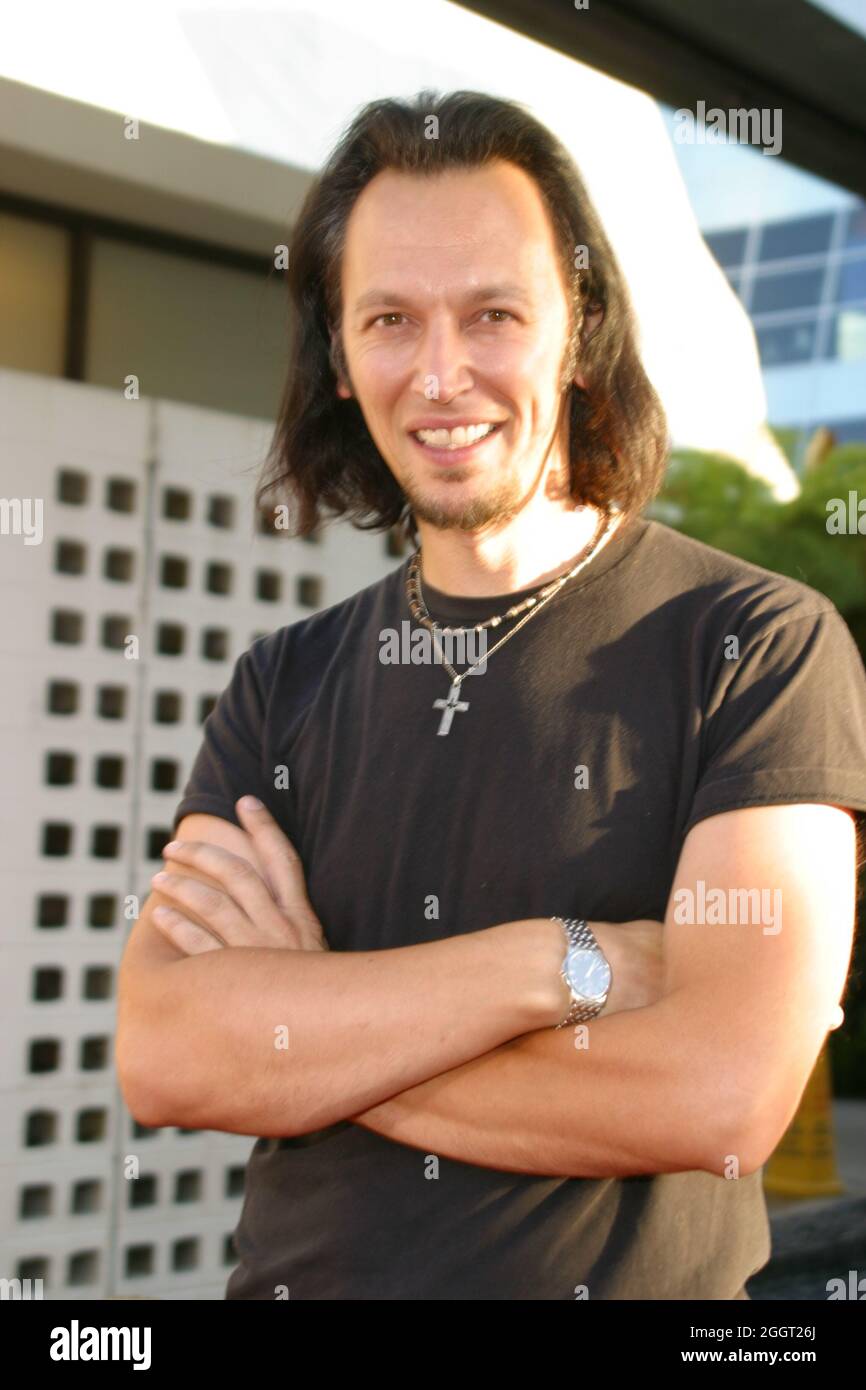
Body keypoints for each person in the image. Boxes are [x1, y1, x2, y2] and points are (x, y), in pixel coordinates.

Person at [117, 90, 866, 1301]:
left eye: (494, 314)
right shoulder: (282, 683)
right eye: (389, 320)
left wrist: (302, 1035)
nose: (439, 371)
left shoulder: (753, 646)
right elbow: (166, 1055)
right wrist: (556, 965)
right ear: (341, 361)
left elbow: (718, 1096)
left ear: (580, 333)